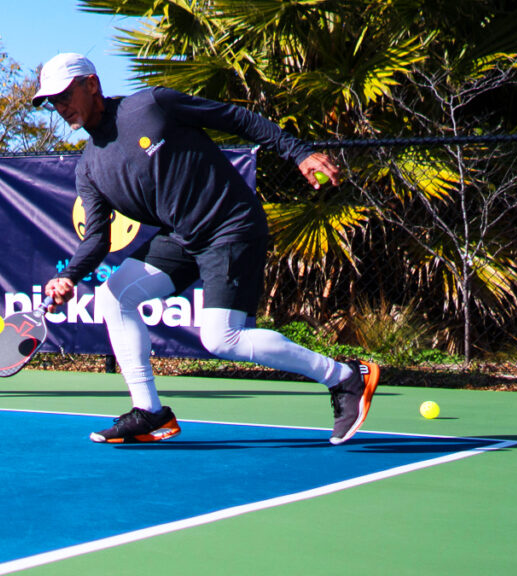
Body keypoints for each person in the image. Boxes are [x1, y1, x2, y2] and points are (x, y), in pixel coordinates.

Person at [32, 53, 379, 444]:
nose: (60, 107)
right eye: (52, 101)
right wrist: (68, 277)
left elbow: (236, 119)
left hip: (230, 225)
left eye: (64, 95)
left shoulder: (151, 105)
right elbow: (97, 237)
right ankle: (150, 413)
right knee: (113, 298)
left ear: (92, 84)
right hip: (183, 237)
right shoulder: (89, 169)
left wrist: (297, 152)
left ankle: (346, 376)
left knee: (222, 339)